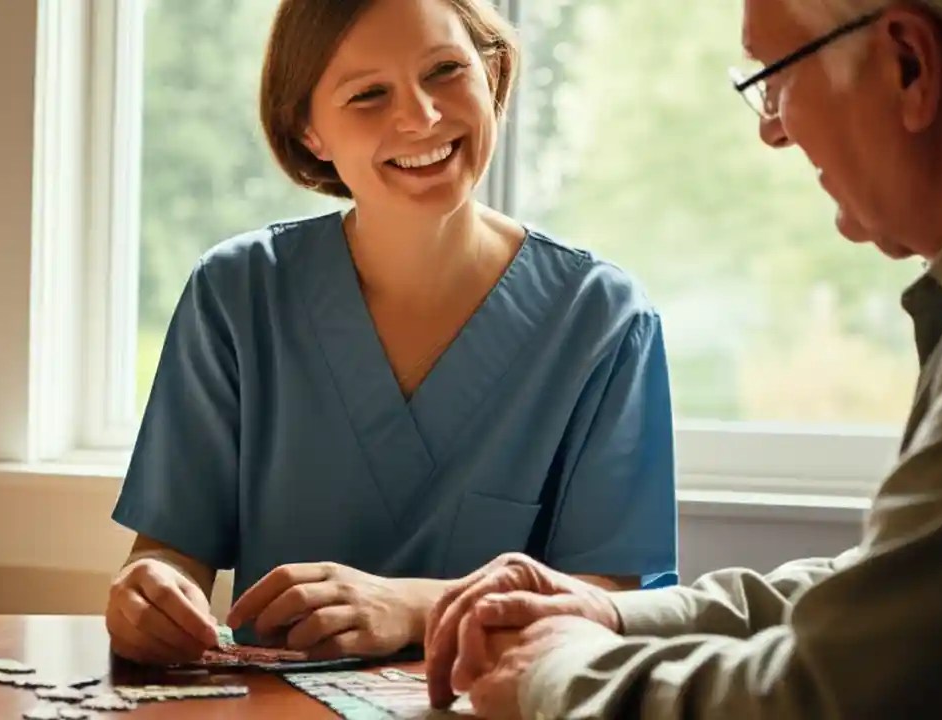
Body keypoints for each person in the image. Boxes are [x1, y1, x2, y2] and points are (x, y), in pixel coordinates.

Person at [423, 0, 942, 717]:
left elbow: (843, 696)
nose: (773, 130)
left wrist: (559, 675)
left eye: (776, 79)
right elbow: (915, 590)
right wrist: (615, 618)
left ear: (909, 61)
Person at [104, 0, 678, 666]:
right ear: (309, 131)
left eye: (445, 71)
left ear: (492, 77)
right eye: (369, 94)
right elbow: (171, 551)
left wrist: (411, 607)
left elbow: (608, 600)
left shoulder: (602, 319)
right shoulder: (236, 294)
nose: (421, 117)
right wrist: (149, 596)